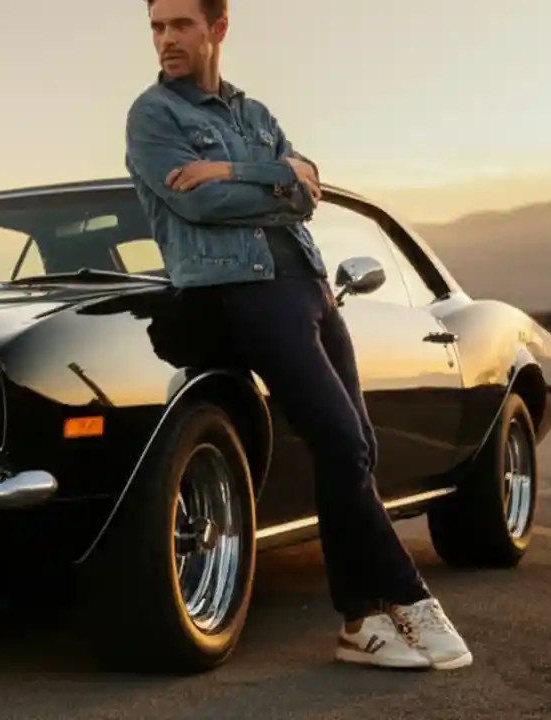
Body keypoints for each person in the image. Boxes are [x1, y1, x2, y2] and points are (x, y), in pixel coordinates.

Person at [124, 0, 473, 671]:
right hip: (243, 292)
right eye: (156, 27)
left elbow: (311, 192)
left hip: (309, 286)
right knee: (339, 441)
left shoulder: (254, 115)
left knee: (358, 448)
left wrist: (234, 170)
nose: (165, 39)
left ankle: (359, 624)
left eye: (179, 25)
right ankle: (408, 598)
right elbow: (197, 203)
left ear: (217, 28)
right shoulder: (153, 115)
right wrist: (275, 180)